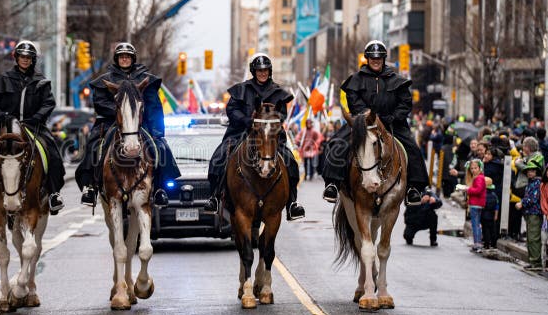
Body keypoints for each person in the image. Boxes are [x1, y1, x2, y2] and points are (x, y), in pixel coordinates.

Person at [321, 40, 429, 205]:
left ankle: (414, 188)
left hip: (392, 123)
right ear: (367, 59)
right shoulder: (356, 79)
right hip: (362, 122)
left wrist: (392, 117)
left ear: (384, 59)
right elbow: (354, 101)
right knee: (337, 143)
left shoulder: (398, 80)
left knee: (412, 148)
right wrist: (367, 116)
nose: (376, 60)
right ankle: (333, 184)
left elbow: (405, 103)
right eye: (372, 58)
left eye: (379, 58)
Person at [0, 41, 65, 213]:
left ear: (33, 60)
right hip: (3, 126)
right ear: (16, 58)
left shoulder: (41, 82)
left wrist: (37, 118)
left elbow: (48, 103)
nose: (25, 60)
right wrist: (1, 116)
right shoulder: (3, 79)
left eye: (28, 57)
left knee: (53, 154)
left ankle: (54, 193)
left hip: (33, 126)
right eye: (22, 57)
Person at [76, 42, 180, 208]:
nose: (124, 59)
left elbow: (154, 106)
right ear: (117, 59)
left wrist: (157, 131)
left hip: (140, 124)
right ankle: (91, 187)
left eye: (127, 56)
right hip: (111, 122)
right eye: (121, 57)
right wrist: (121, 111)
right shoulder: (105, 79)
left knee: (161, 148)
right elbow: (99, 102)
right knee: (93, 146)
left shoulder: (145, 78)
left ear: (133, 58)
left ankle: (160, 188)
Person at [204, 53, 305, 221]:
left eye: (265, 70)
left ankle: (292, 203)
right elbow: (232, 110)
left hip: (270, 135)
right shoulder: (241, 89)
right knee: (219, 157)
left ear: (269, 71)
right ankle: (214, 197)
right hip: (241, 132)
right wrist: (247, 121)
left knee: (290, 161)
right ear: (254, 71)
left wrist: (272, 117)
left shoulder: (278, 91)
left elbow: (282, 114)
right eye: (259, 71)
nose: (262, 73)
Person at [516, 160, 544, 270]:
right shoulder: (531, 182)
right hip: (529, 213)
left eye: (532, 171)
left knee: (534, 238)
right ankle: (532, 260)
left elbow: (533, 199)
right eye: (528, 171)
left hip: (535, 213)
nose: (529, 173)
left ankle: (536, 262)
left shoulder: (537, 183)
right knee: (529, 238)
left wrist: (522, 203)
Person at [462, 160, 486, 252]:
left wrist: (468, 190)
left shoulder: (478, 178)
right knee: (477, 224)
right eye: (471, 168)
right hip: (477, 203)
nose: (473, 170)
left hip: (476, 204)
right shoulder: (479, 177)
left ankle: (477, 243)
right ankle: (478, 242)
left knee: (475, 224)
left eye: (475, 168)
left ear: (480, 168)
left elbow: (478, 190)